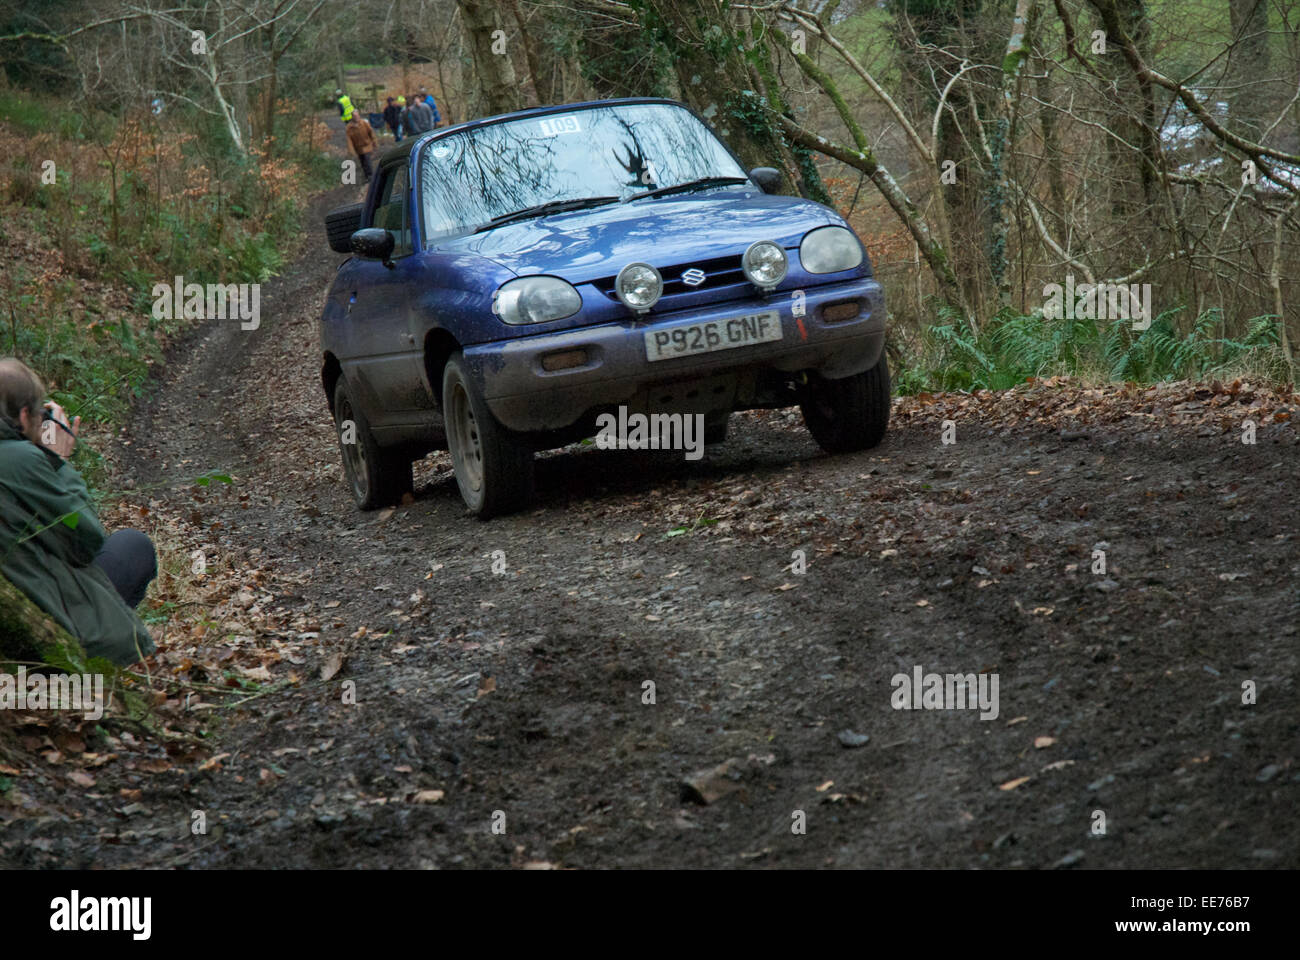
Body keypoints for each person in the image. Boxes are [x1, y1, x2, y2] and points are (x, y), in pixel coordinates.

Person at [0, 359, 157, 666]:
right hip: (54, 626)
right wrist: (58, 461)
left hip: (19, 615)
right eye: (39, 415)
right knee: (132, 545)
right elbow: (84, 534)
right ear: (22, 416)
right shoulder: (22, 460)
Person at [346, 111, 378, 182]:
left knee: (367, 160)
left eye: (357, 115)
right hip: (358, 148)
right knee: (363, 162)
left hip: (367, 145)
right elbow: (349, 140)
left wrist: (374, 141)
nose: (357, 117)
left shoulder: (364, 123)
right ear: (352, 117)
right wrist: (351, 150)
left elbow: (371, 132)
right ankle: (367, 175)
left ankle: (371, 175)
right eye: (355, 116)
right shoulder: (349, 127)